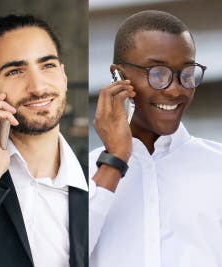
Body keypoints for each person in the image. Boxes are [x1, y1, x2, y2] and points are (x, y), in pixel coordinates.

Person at [90, 10, 222, 266]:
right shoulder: (82, 175)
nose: (175, 89)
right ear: (118, 76)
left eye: (187, 73)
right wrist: (115, 159)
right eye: (157, 73)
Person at [0, 15, 88, 267]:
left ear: (64, 77)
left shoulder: (96, 176)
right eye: (15, 71)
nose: (37, 87)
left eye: (47, 65)